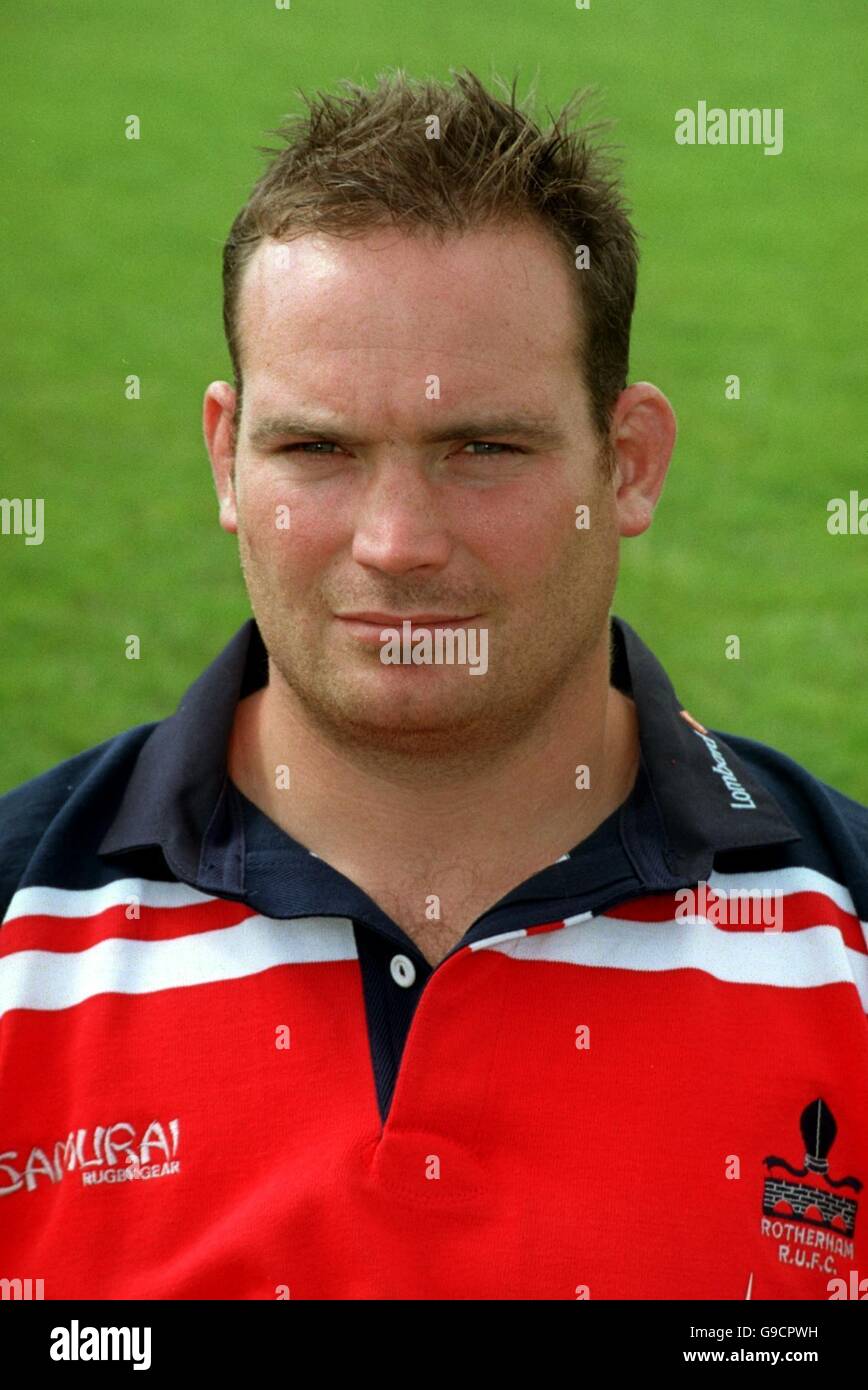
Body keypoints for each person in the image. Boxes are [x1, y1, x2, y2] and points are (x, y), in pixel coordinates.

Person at [1, 69, 866, 1301]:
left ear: (627, 463)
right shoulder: (21, 939)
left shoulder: (843, 950)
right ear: (226, 458)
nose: (396, 543)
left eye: (482, 450)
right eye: (317, 449)